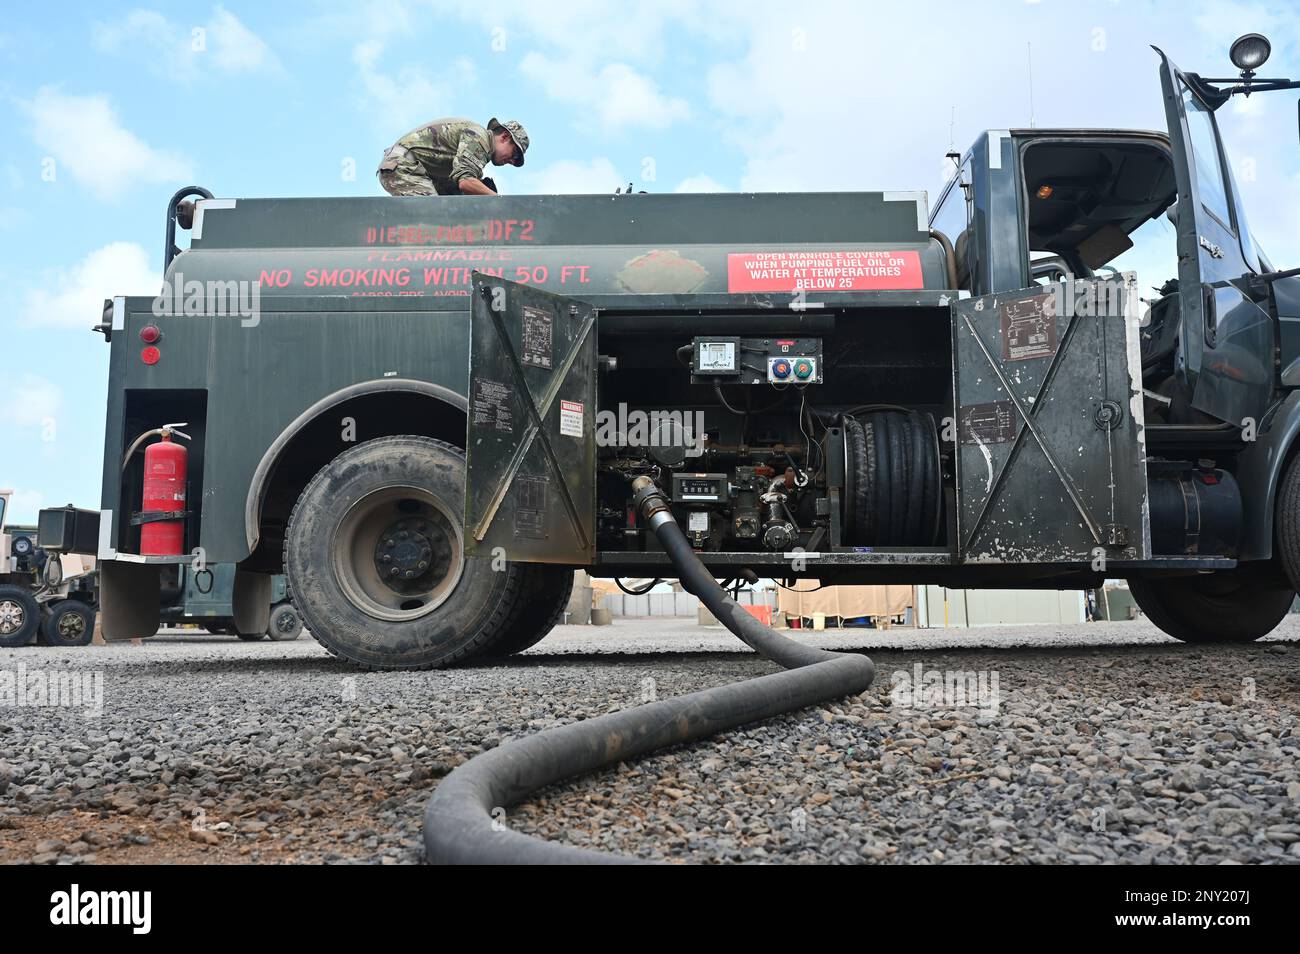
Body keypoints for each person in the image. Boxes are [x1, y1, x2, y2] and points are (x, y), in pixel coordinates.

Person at [376, 117, 528, 196]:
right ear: (505, 137)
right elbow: (466, 182)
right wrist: (498, 201)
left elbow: (460, 184)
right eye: (514, 154)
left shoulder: (477, 149)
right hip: (403, 167)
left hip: (413, 169)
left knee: (454, 203)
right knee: (435, 216)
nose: (512, 161)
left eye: (516, 162)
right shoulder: (480, 137)